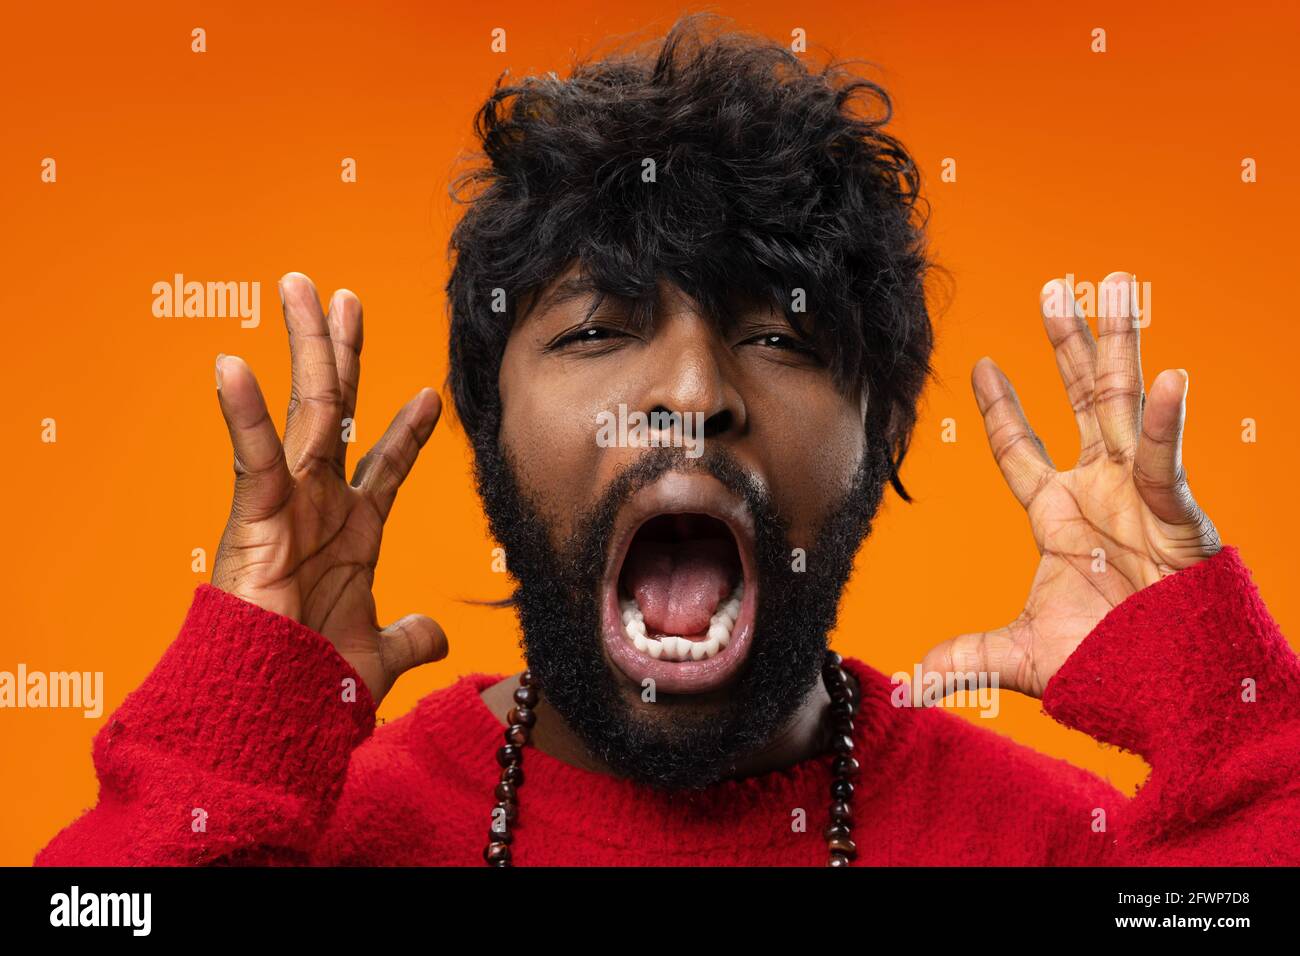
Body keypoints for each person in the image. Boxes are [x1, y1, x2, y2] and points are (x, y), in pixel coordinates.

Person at [36, 15, 1300, 866]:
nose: (691, 391)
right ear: (486, 430)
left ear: (885, 434)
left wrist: (1226, 718)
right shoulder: (310, 837)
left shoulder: (1055, 848)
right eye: (596, 333)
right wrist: (228, 730)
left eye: (782, 338)